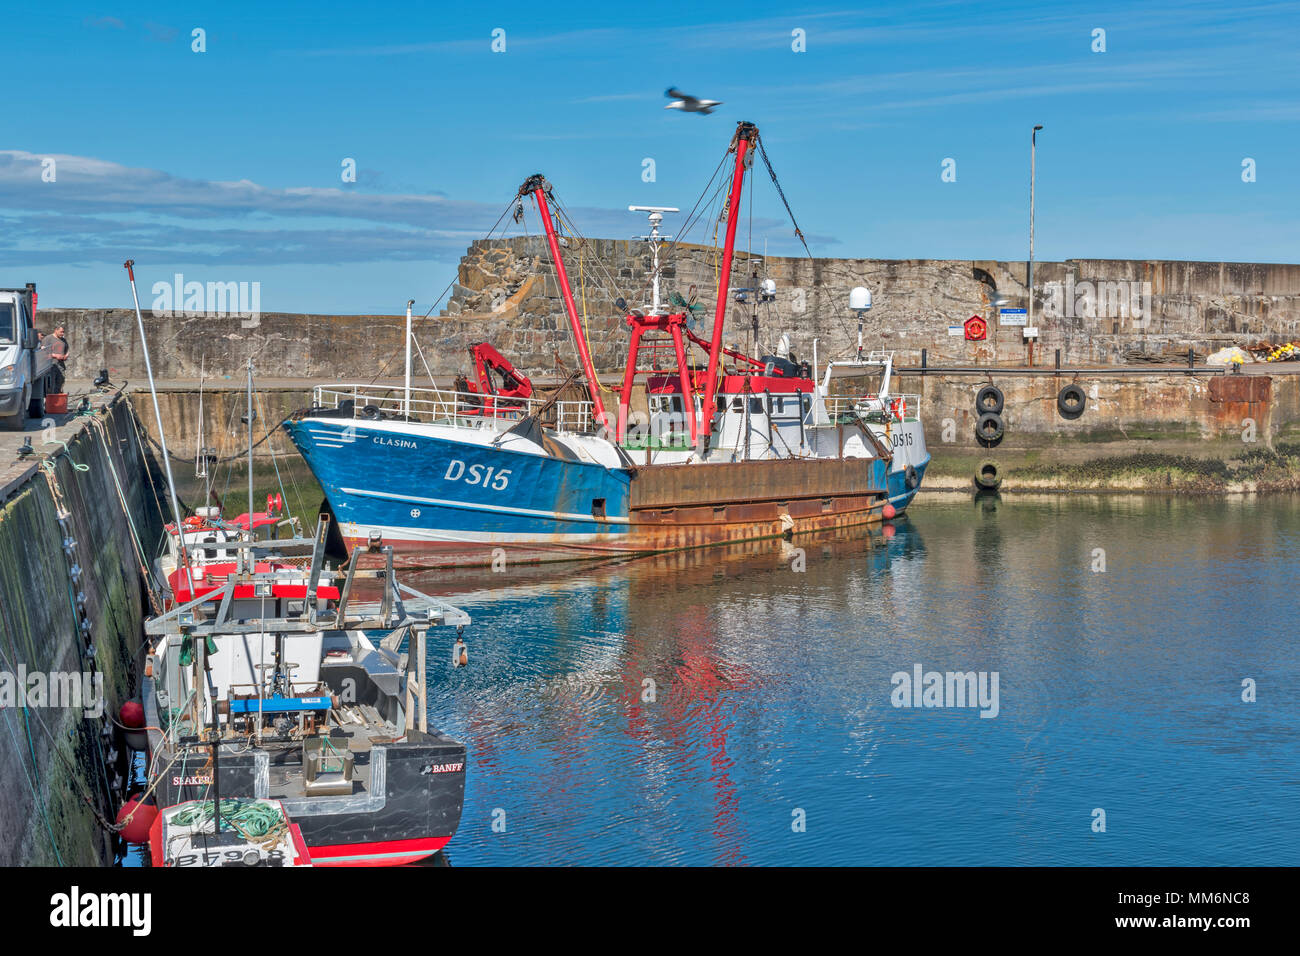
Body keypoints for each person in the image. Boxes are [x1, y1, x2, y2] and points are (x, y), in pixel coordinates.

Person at [50, 325, 69, 393]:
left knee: (60, 383)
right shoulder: (48, 339)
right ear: (56, 330)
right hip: (51, 365)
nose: (62, 334)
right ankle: (52, 400)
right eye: (61, 332)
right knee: (52, 385)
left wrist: (66, 355)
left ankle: (59, 399)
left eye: (63, 332)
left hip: (61, 365)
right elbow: (43, 352)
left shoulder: (63, 340)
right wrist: (55, 355)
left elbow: (67, 350)